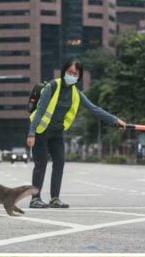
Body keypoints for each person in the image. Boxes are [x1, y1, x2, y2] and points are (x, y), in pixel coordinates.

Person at [27, 59, 127, 208]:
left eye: (75, 73)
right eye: (69, 72)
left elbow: (94, 109)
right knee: (41, 164)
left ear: (79, 76)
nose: (72, 75)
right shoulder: (52, 87)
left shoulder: (76, 93)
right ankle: (35, 198)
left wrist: (114, 120)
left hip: (57, 133)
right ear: (64, 72)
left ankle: (55, 198)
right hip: (41, 131)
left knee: (59, 163)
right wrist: (31, 133)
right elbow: (40, 111)